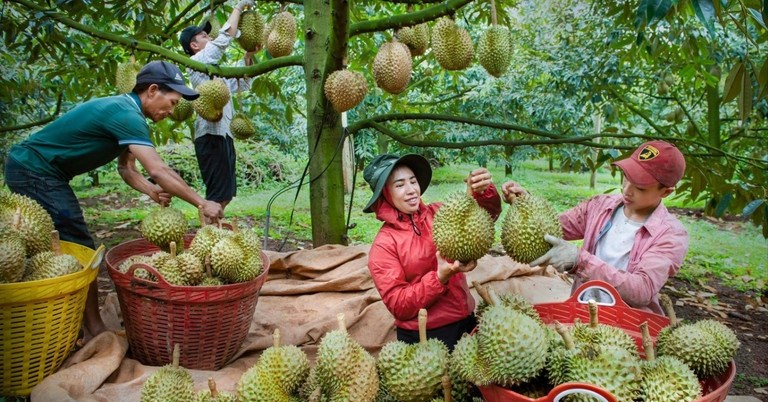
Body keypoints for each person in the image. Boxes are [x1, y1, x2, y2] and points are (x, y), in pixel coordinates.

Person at [4, 60, 224, 343]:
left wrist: (150, 191)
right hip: (34, 169)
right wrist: (200, 202)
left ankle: (67, 324)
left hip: (37, 169)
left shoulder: (128, 113)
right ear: (152, 90)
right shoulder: (126, 114)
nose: (171, 111)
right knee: (78, 244)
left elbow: (127, 169)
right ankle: (93, 330)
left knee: (60, 244)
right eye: (171, 102)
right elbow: (158, 169)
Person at [501, 140, 689, 315]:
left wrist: (579, 260)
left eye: (640, 187)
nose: (627, 189)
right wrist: (525, 201)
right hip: (581, 308)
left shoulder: (671, 235)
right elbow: (553, 228)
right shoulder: (600, 206)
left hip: (629, 321)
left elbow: (642, 289)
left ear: (666, 191)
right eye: (626, 177)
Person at [363, 154, 502, 350]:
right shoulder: (384, 245)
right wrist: (439, 278)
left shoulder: (439, 213)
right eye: (400, 185)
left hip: (466, 321)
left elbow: (483, 217)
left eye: (413, 181)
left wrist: (480, 192)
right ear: (386, 193)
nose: (411, 190)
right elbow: (398, 305)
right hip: (426, 337)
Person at [179, 0, 258, 214]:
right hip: (211, 138)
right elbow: (224, 39)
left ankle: (214, 231)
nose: (210, 37)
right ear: (193, 46)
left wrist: (247, 58)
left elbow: (240, 84)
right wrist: (239, 7)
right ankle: (209, 235)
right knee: (216, 195)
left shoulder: (213, 72)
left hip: (223, 135)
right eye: (204, 36)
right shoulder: (196, 62)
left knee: (226, 194)